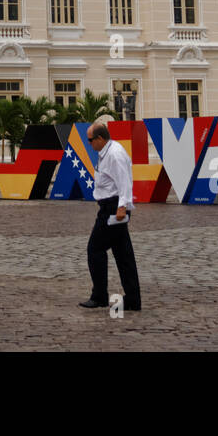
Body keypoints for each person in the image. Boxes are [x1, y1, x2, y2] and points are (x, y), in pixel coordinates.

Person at [80, 123, 141, 311]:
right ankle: (132, 299)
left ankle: (99, 295)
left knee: (95, 250)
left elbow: (124, 181)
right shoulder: (107, 152)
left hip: (114, 208)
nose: (89, 144)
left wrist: (122, 207)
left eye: (90, 140)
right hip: (110, 206)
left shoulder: (114, 154)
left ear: (100, 138)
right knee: (123, 255)